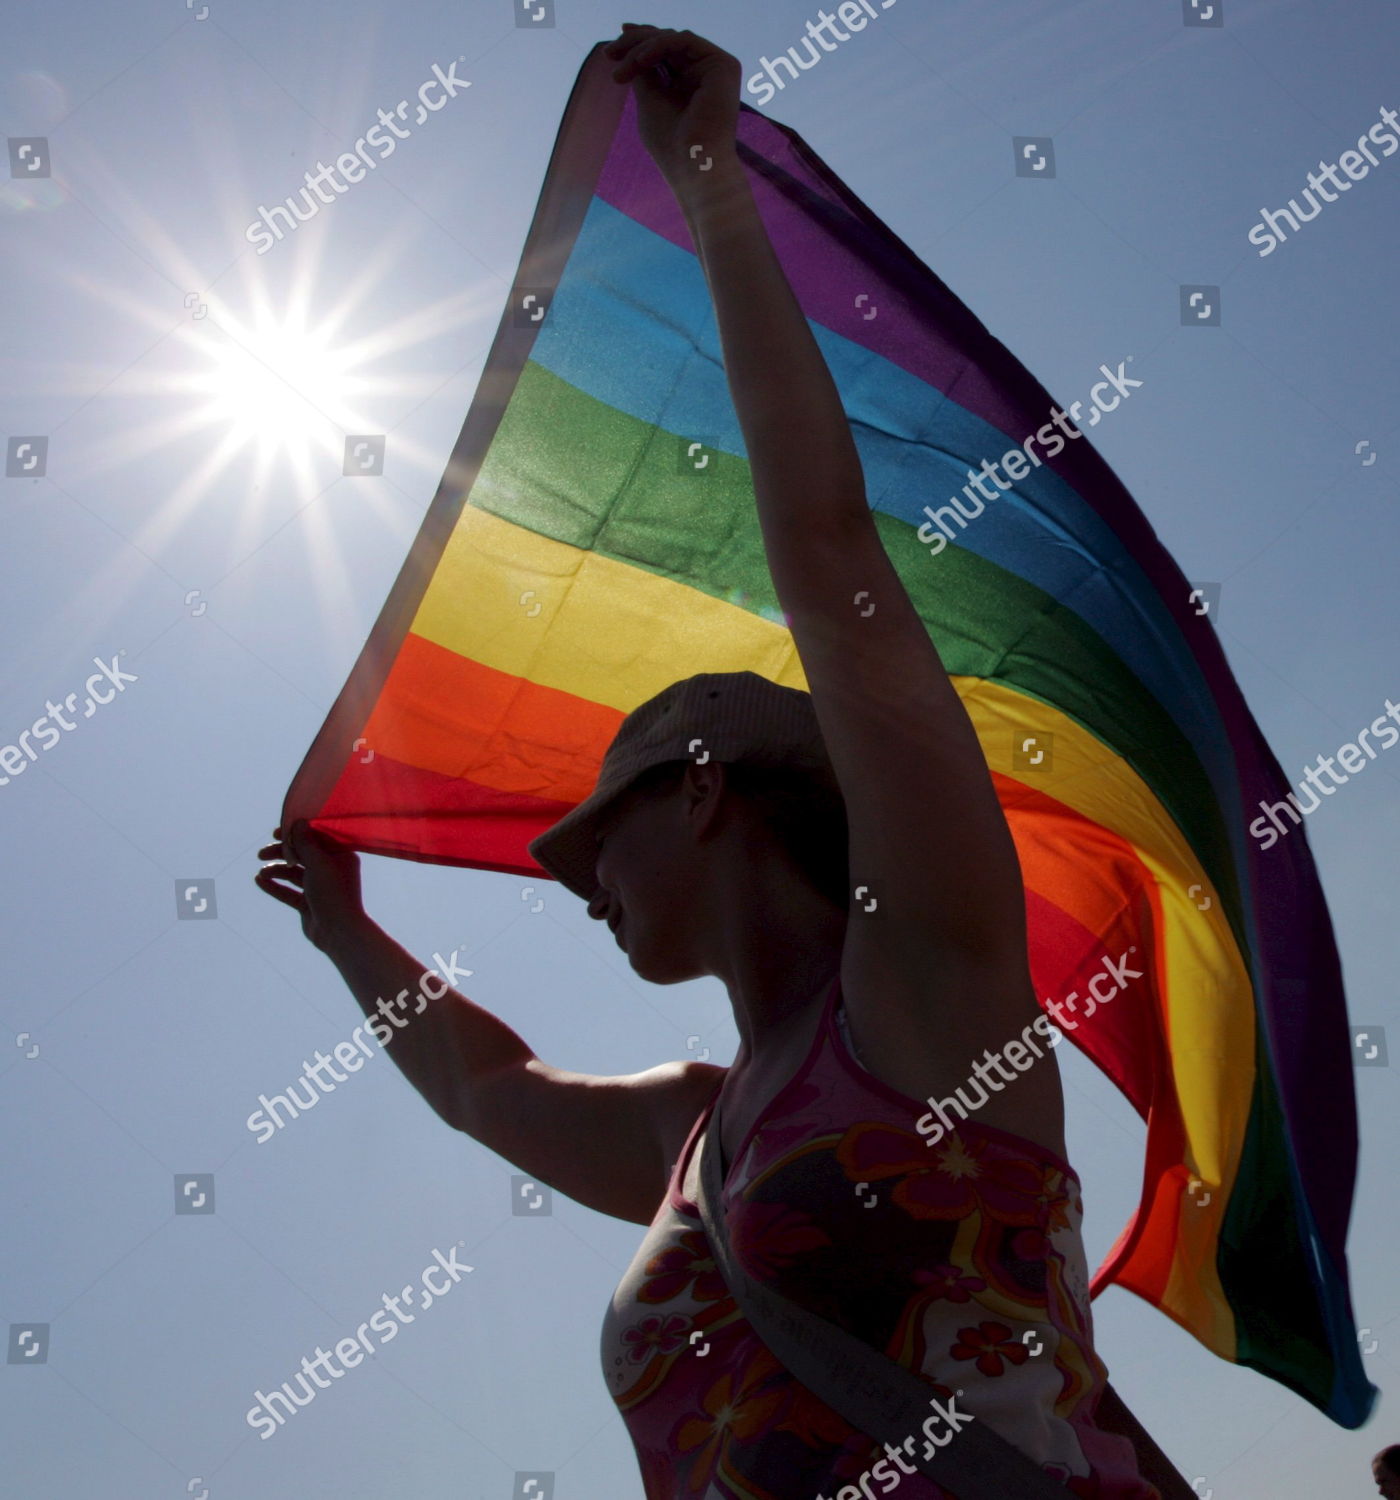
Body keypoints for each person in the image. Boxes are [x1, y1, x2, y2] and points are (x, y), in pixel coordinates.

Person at [257, 23, 1186, 1498]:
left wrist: (710, 191)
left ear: (702, 786)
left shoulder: (931, 988)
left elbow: (827, 558)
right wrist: (343, 932)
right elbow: (491, 1090)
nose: (576, 881)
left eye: (592, 837)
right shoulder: (701, 1129)